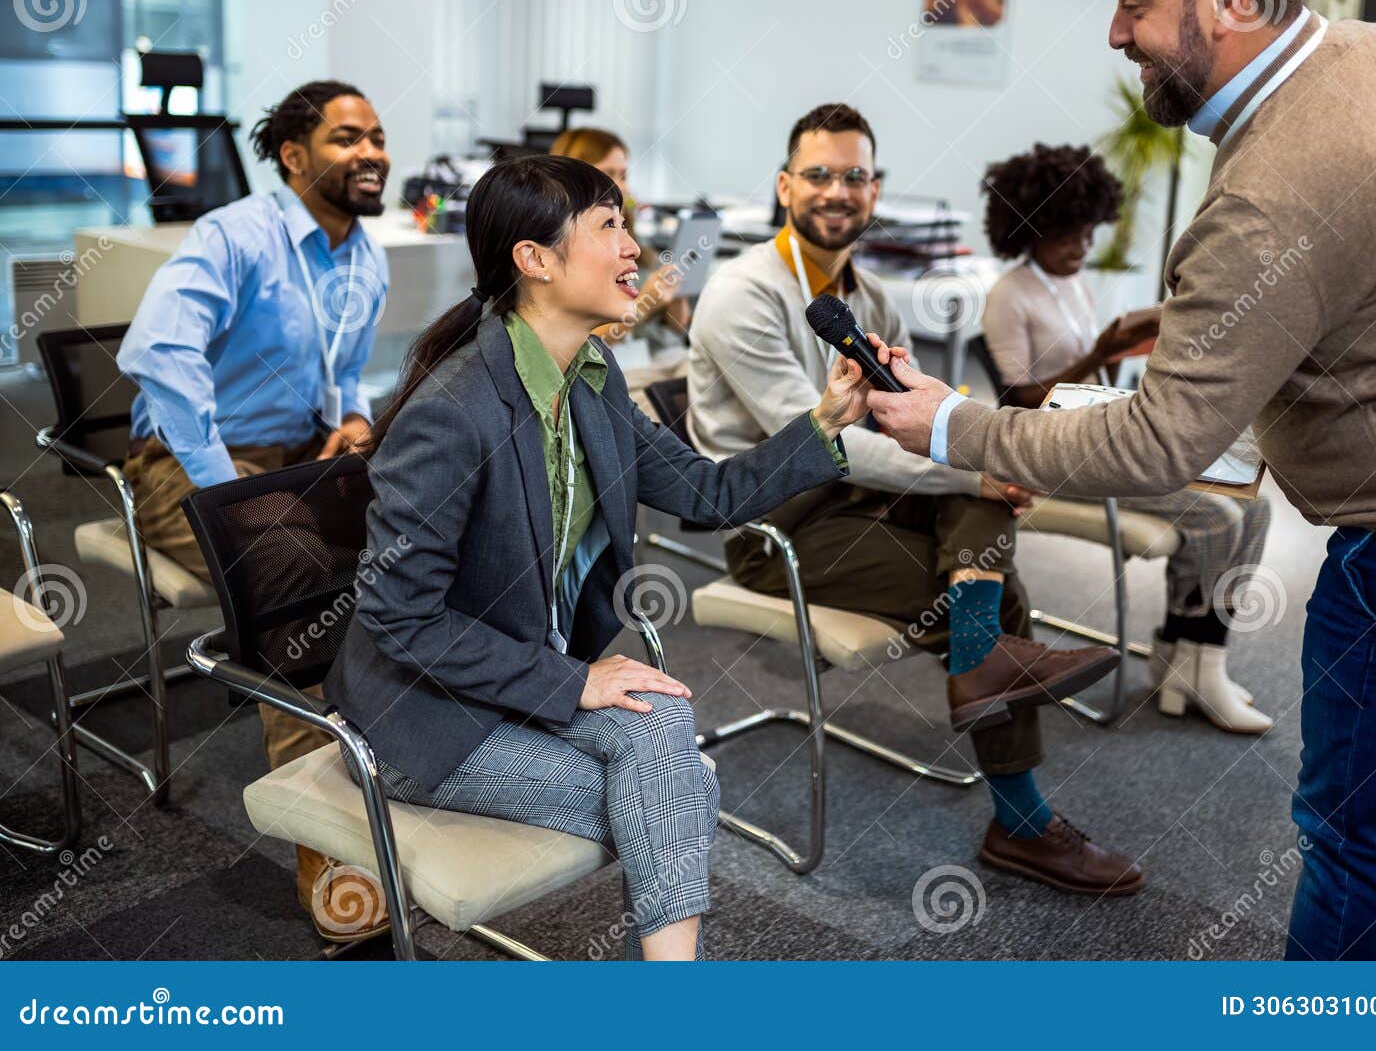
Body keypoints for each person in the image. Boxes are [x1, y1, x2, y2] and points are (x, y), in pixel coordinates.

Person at [865, 0, 1376, 961]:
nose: (1115, 32)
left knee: (1356, 832)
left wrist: (950, 426)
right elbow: (1360, 278)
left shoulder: (1274, 189)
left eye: (1133, 1)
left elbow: (1154, 444)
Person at [325, 154, 875, 960]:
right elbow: (400, 616)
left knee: (664, 740)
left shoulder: (590, 375)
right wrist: (573, 682)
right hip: (422, 717)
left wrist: (826, 420)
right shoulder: (455, 410)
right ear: (535, 260)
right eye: (609, 226)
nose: (633, 248)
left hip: (516, 678)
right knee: (680, 791)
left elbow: (708, 492)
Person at [688, 103, 1145, 898]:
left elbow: (910, 429)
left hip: (859, 496)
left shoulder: (871, 300)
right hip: (776, 519)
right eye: (819, 174)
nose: (838, 190)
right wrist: (973, 468)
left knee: (972, 457)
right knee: (987, 562)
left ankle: (987, 682)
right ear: (785, 186)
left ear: (876, 190)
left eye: (855, 176)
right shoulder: (742, 294)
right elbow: (821, 443)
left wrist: (974, 453)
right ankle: (1020, 816)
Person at [117, 80, 392, 942]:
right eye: (348, 138)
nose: (372, 152)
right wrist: (221, 490)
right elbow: (159, 354)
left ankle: (410, 779)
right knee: (294, 576)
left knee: (419, 537)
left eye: (377, 136)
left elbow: (347, 370)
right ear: (294, 157)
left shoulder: (365, 258)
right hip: (187, 460)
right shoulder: (234, 235)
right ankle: (332, 858)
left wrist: (350, 418)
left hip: (300, 455)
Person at [980, 141, 1272, 733]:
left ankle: (1186, 659)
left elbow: (1092, 381)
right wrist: (1099, 352)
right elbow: (1016, 401)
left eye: (1089, 234)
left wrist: (1127, 352)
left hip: (1098, 437)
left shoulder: (1075, 285)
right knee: (1216, 519)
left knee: (1255, 508)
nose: (1082, 248)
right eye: (1068, 237)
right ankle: (1195, 668)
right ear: (1031, 229)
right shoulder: (1008, 295)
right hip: (1046, 459)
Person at [549, 127, 691, 359]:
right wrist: (643, 304)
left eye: (623, 175)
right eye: (608, 174)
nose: (620, 187)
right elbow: (577, 347)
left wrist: (676, 294)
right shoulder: (564, 252)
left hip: (654, 360)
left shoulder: (637, 246)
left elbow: (678, 325)